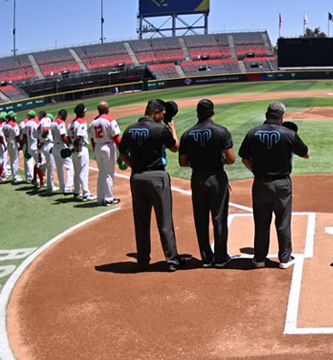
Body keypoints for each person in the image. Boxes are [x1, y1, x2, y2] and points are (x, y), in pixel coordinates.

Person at [238, 102, 309, 268]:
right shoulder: (289, 133)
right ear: (281, 117)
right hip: (282, 183)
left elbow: (244, 158)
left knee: (261, 221)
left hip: (261, 183)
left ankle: (259, 259)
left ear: (266, 115)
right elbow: (306, 154)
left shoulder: (253, 133)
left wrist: (256, 171)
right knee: (283, 221)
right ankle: (285, 259)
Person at [117, 99, 184, 271]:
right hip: (157, 177)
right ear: (156, 112)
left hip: (137, 177)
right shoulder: (160, 129)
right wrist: (172, 127)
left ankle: (143, 260)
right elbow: (175, 147)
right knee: (164, 220)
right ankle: (172, 260)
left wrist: (135, 166)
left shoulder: (130, 129)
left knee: (141, 220)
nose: (163, 117)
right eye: (162, 114)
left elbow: (123, 154)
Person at [178, 98, 236, 267]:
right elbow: (231, 159)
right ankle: (220, 257)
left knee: (201, 219)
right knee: (219, 217)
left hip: (198, 179)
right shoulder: (222, 131)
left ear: (197, 113)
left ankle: (206, 257)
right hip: (217, 178)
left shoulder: (187, 134)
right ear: (213, 113)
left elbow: (182, 162)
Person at [91, 102, 122, 205]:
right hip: (108, 147)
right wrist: (122, 150)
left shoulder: (93, 121)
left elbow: (92, 139)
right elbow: (116, 137)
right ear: (106, 109)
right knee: (109, 173)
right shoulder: (110, 120)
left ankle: (100, 198)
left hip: (97, 147)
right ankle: (109, 198)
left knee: (101, 173)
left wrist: (95, 149)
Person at [69, 104, 94, 200]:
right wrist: (76, 147)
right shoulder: (81, 122)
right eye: (84, 111)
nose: (85, 113)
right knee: (83, 171)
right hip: (80, 148)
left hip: (75, 150)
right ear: (81, 112)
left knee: (77, 171)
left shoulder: (71, 123)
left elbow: (68, 137)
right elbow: (79, 137)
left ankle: (76, 192)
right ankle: (86, 193)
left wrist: (71, 146)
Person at [50, 109, 73, 194]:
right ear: (63, 115)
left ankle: (62, 188)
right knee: (69, 166)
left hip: (54, 146)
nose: (66, 118)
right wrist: (69, 145)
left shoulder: (52, 122)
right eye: (65, 116)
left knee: (59, 168)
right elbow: (63, 136)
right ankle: (68, 187)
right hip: (61, 147)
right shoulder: (60, 122)